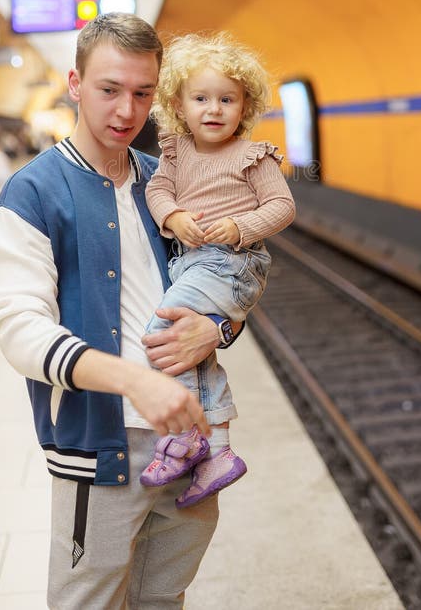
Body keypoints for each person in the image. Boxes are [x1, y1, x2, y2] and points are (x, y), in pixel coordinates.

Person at [0, 13, 239, 609]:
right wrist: (136, 382)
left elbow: (223, 277)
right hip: (101, 449)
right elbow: (20, 331)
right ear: (74, 83)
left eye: (143, 93)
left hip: (188, 439)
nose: (127, 110)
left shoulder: (166, 183)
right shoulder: (33, 193)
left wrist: (218, 327)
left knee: (162, 597)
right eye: (109, 89)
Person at [139, 32, 295, 507]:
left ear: (244, 105)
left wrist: (240, 226)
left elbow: (282, 207)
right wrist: (173, 216)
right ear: (178, 105)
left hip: (230, 261)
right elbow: (158, 191)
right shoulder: (176, 152)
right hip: (193, 260)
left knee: (165, 333)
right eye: (201, 98)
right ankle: (220, 450)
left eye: (227, 99)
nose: (214, 109)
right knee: (196, 352)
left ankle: (188, 436)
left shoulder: (253, 155)